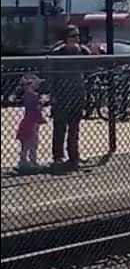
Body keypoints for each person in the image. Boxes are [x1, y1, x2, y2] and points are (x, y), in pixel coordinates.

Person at [49, 25, 91, 169]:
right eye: (72, 35)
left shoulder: (83, 51)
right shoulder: (57, 53)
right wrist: (52, 95)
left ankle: (74, 156)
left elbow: (91, 67)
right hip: (62, 94)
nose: (76, 39)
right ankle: (58, 157)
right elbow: (51, 75)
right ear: (66, 38)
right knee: (59, 127)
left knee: (75, 128)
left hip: (77, 93)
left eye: (77, 36)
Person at [15, 75, 46, 172]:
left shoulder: (27, 96)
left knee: (26, 144)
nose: (38, 85)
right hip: (32, 122)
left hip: (29, 121)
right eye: (35, 83)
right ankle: (32, 162)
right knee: (32, 143)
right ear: (29, 85)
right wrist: (42, 102)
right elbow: (37, 109)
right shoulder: (33, 96)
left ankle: (23, 161)